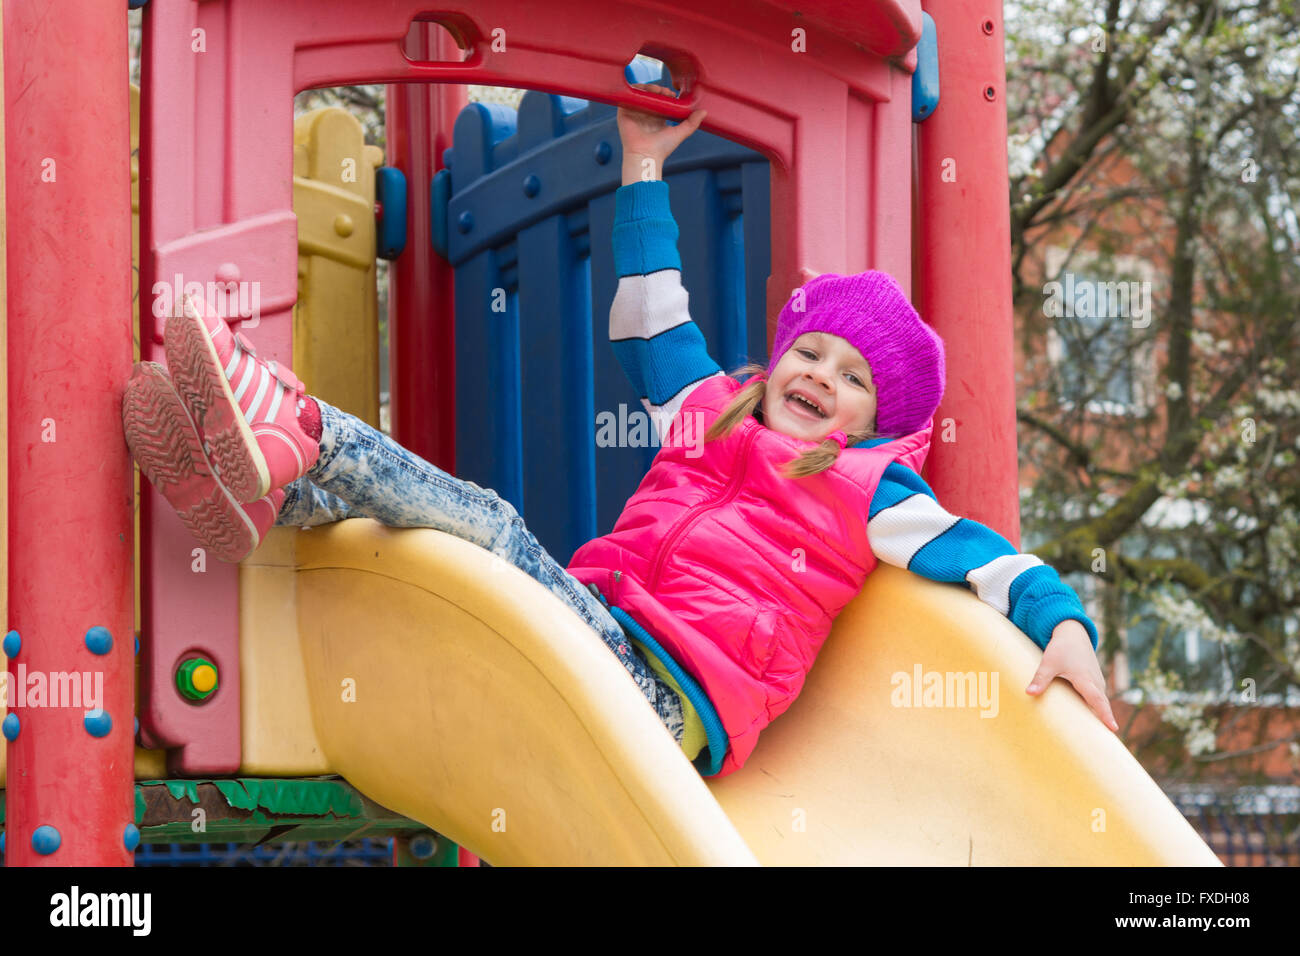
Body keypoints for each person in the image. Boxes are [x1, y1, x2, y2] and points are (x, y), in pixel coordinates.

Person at [122, 83, 1116, 781]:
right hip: (599, 638)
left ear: (875, 424)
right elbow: (650, 313)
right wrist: (641, 167)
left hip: (663, 693)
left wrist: (1068, 627)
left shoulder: (872, 492)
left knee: (498, 531)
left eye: (854, 380)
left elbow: (996, 565)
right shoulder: (714, 410)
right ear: (778, 359)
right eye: (811, 353)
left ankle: (298, 429)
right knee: (442, 547)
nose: (822, 378)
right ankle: (273, 478)